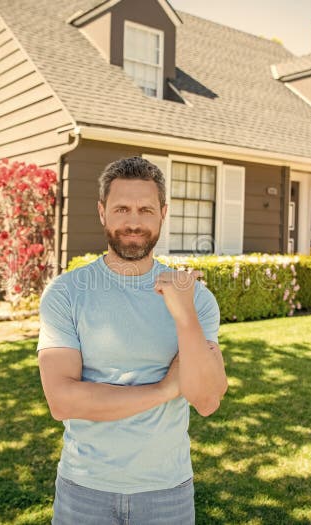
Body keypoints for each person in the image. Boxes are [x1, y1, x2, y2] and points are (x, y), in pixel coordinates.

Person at [37, 156, 228, 524]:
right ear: (102, 213)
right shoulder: (66, 293)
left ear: (163, 213)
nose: (134, 221)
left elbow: (205, 399)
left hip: (167, 493)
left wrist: (184, 315)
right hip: (84, 490)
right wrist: (166, 389)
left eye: (145, 209)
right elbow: (62, 401)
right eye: (122, 208)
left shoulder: (194, 298)